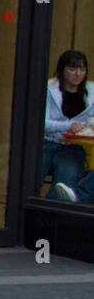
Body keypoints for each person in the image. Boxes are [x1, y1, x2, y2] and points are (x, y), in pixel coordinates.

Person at [41, 50, 92, 201]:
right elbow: (40, 122)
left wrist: (88, 127)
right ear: (62, 69)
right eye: (72, 69)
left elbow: (92, 121)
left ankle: (48, 216)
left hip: (73, 145)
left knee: (67, 177)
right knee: (30, 176)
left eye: (82, 69)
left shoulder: (91, 92)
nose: (78, 74)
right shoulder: (49, 88)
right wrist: (67, 126)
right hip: (47, 142)